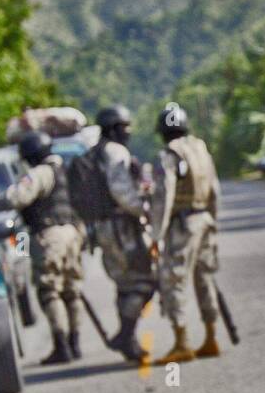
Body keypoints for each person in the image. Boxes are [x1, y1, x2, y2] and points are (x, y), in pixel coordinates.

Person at [0, 130, 85, 365]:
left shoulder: (40, 173)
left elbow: (18, 197)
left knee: (50, 290)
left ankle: (62, 346)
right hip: (72, 232)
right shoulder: (66, 171)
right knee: (72, 290)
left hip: (50, 235)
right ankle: (75, 343)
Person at [150, 105, 221, 363]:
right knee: (205, 278)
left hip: (183, 224)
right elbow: (214, 188)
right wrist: (214, 218)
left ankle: (182, 342)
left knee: (174, 280)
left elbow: (164, 196)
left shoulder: (170, 154)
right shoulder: (200, 148)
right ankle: (211, 337)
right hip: (205, 218)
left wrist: (156, 235)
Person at [90, 105, 156, 363]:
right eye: (125, 127)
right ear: (115, 128)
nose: (128, 133)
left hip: (104, 228)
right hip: (121, 228)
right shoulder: (115, 152)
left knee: (124, 284)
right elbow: (121, 191)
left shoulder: (95, 154)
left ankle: (129, 343)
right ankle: (125, 334)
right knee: (145, 282)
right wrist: (145, 210)